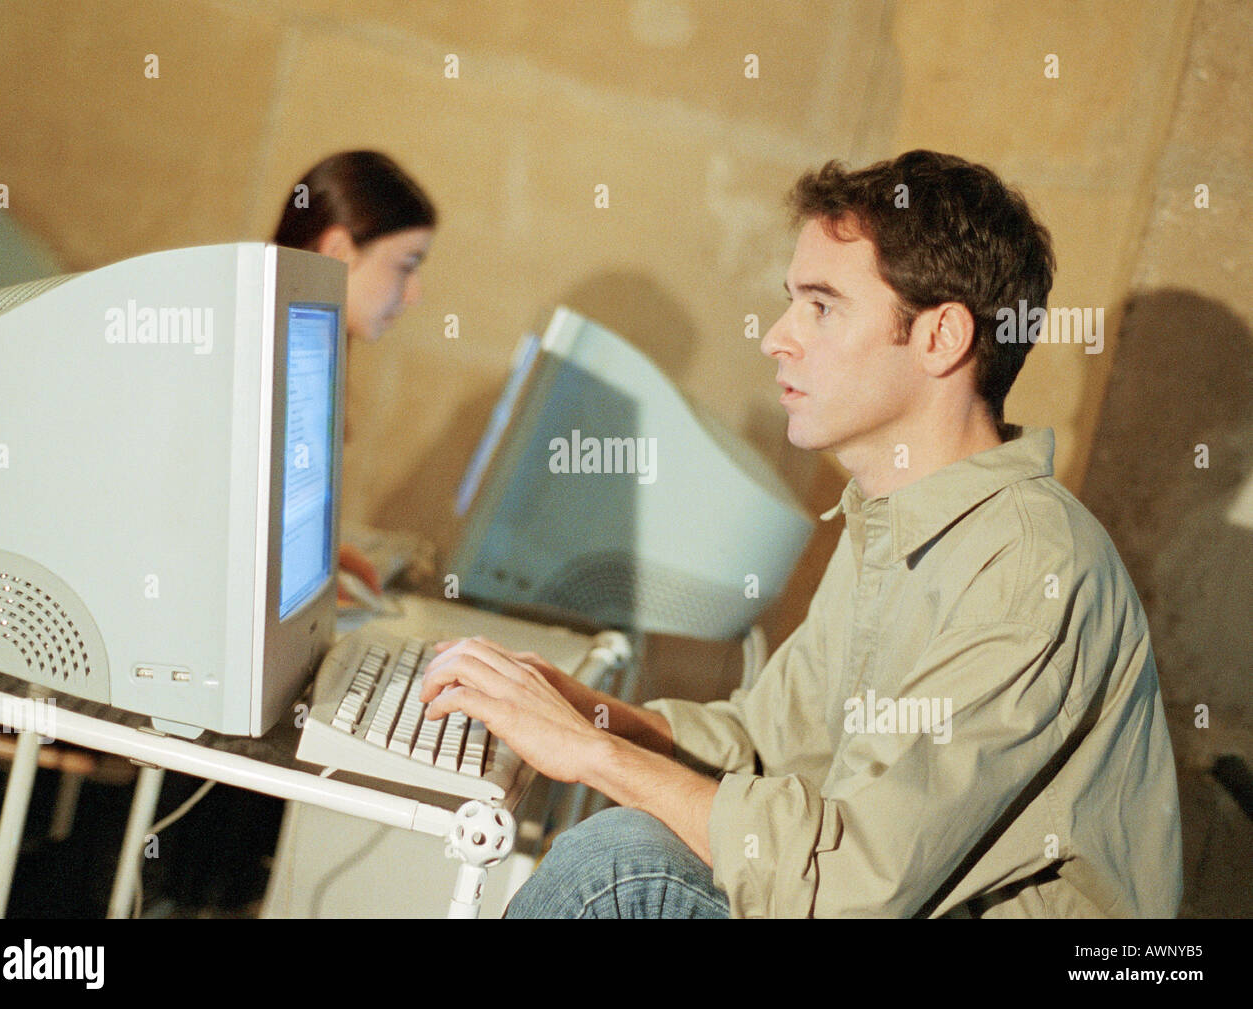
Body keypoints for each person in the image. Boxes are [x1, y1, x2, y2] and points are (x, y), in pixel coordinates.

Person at [417, 150, 1184, 918]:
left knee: (622, 864)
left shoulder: (1029, 567)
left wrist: (593, 754)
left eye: (821, 305)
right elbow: (764, 746)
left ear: (942, 337)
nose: (777, 338)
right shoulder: (890, 518)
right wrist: (586, 711)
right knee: (629, 841)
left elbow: (853, 884)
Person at [273, 150, 438, 598]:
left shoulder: (304, 362)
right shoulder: (254, 371)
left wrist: (304, 556)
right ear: (339, 252)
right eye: (406, 265)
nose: (414, 295)